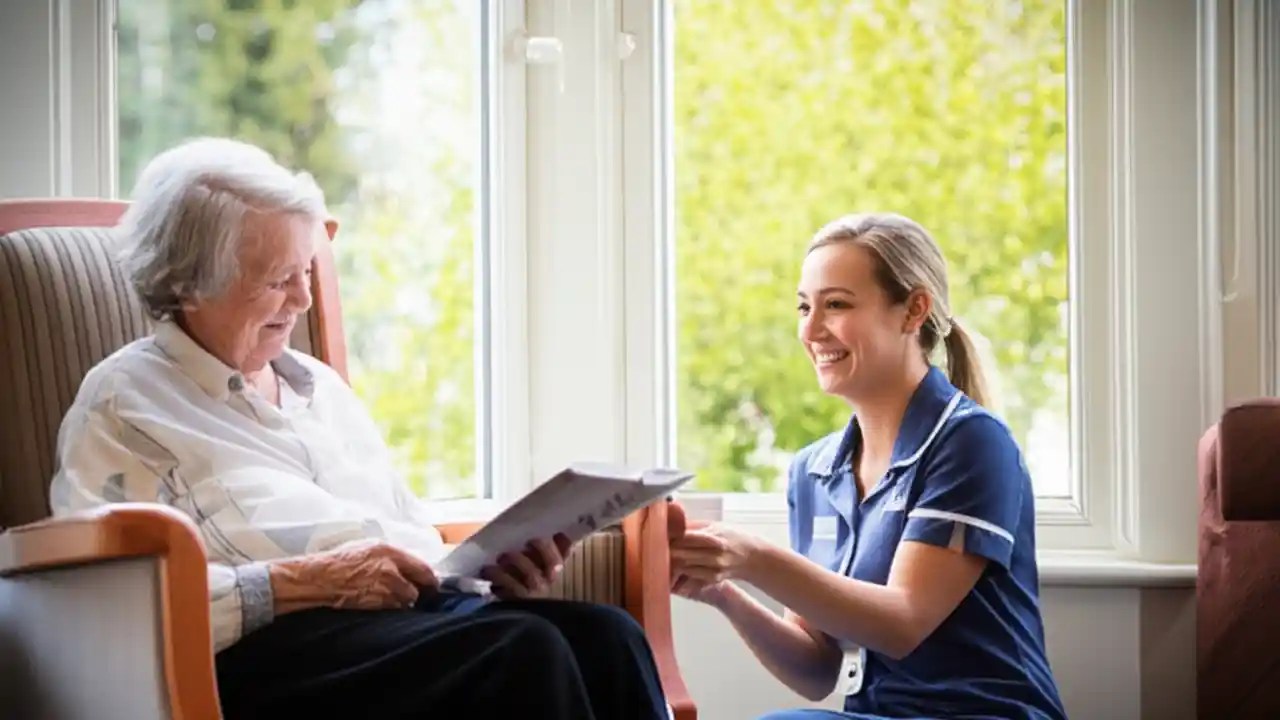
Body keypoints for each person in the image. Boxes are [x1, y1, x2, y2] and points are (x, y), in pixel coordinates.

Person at [49, 137, 669, 720]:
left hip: (401, 623)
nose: (304, 301)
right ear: (188, 283)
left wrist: (483, 573)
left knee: (608, 637)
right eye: (277, 279)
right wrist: (293, 583)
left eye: (307, 273)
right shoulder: (125, 405)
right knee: (520, 650)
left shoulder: (319, 389)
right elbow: (104, 607)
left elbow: (408, 538)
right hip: (264, 653)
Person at [669, 213, 1067, 720]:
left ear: (913, 310)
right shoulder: (814, 470)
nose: (811, 330)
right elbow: (815, 671)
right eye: (803, 306)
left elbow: (902, 623)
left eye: (836, 304)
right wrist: (724, 593)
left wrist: (755, 557)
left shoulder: (971, 442)